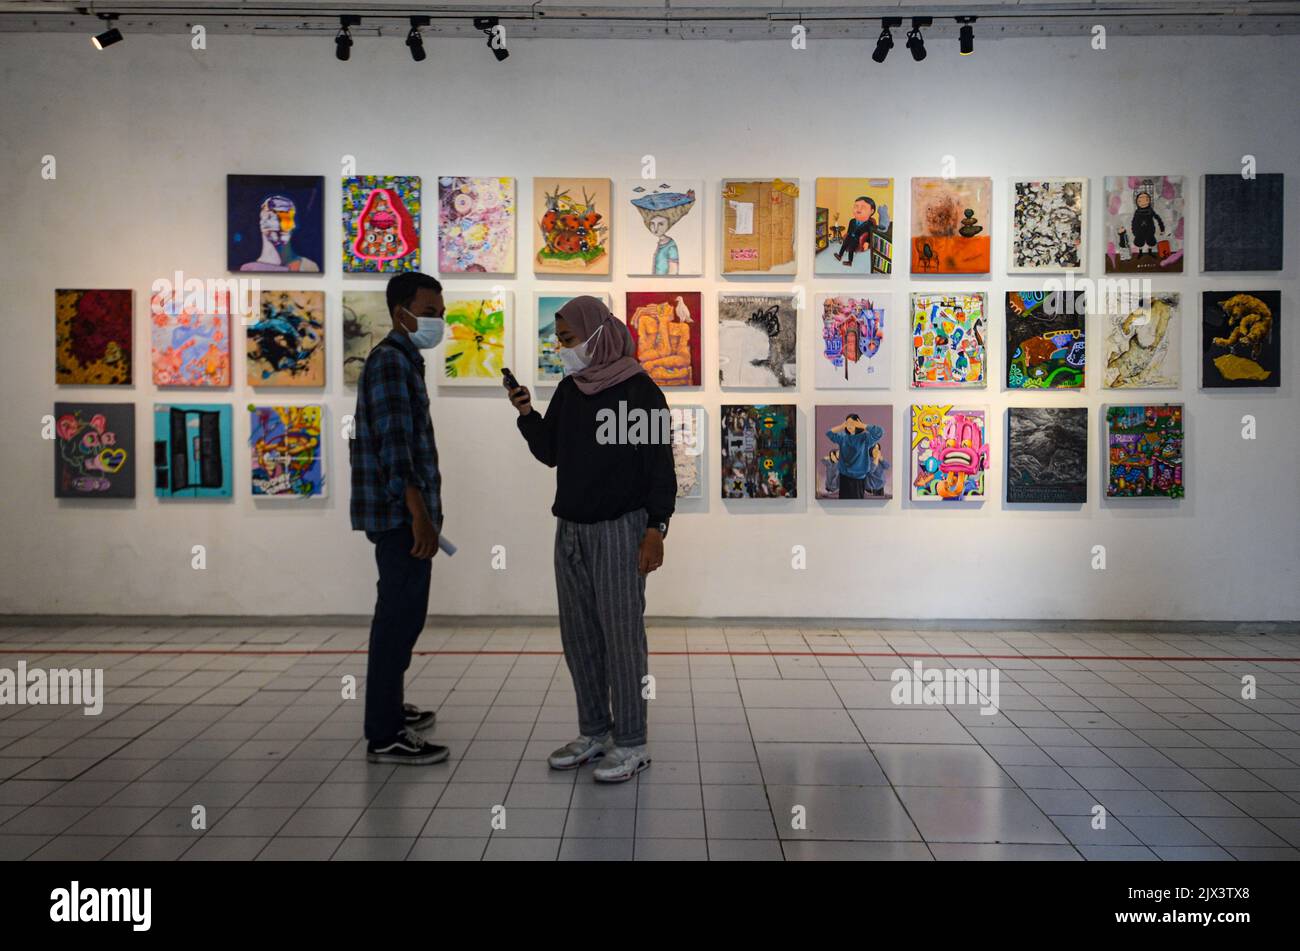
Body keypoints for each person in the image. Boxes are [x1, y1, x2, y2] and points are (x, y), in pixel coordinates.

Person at [506, 296, 676, 783]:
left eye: (568, 339)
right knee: (579, 636)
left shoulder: (641, 393)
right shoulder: (569, 390)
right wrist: (525, 414)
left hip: (621, 529)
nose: (563, 349)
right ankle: (595, 731)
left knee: (622, 637)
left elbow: (659, 470)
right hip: (571, 530)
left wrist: (655, 528)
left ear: (597, 335)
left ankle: (631, 741)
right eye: (559, 341)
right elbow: (551, 453)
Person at [349, 272, 450, 765]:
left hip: (403, 515)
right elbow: (396, 449)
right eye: (430, 312)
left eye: (441, 313)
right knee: (396, 621)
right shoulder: (391, 363)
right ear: (401, 313)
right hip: (400, 518)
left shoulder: (404, 361)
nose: (438, 322)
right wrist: (419, 516)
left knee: (404, 619)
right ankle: (384, 733)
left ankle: (390, 709)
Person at [825, 414, 875, 499]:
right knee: (843, 502)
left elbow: (879, 432)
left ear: (857, 423)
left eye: (852, 423)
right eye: (847, 423)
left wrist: (863, 425)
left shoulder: (865, 437)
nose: (849, 426)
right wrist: (841, 426)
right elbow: (829, 433)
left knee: (857, 503)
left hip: (858, 478)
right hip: (844, 476)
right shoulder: (843, 437)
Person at [833, 195, 877, 268]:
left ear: (871, 211)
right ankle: (839, 255)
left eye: (863, 207)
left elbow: (870, 234)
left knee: (851, 248)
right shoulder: (852, 221)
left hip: (857, 238)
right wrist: (846, 236)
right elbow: (849, 230)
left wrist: (867, 242)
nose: (858, 209)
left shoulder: (869, 224)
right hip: (850, 235)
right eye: (856, 206)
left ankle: (850, 261)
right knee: (844, 244)